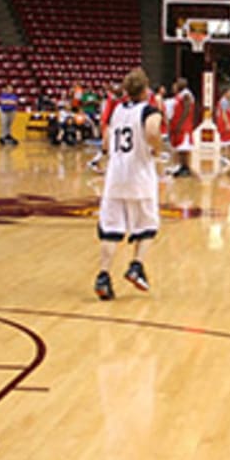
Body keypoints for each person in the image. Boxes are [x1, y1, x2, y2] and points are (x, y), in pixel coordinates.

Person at [94, 68, 163, 301]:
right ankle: (136, 265)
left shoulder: (116, 111)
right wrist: (157, 147)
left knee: (111, 230)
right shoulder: (149, 111)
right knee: (147, 226)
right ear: (145, 90)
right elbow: (153, 130)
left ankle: (103, 276)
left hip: (115, 177)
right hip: (139, 176)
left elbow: (105, 142)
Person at [167, 79, 195, 177]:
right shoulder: (179, 95)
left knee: (184, 147)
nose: (175, 85)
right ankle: (182, 167)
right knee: (180, 148)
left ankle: (186, 167)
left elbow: (187, 109)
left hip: (184, 125)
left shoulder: (186, 95)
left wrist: (180, 123)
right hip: (179, 123)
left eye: (177, 83)